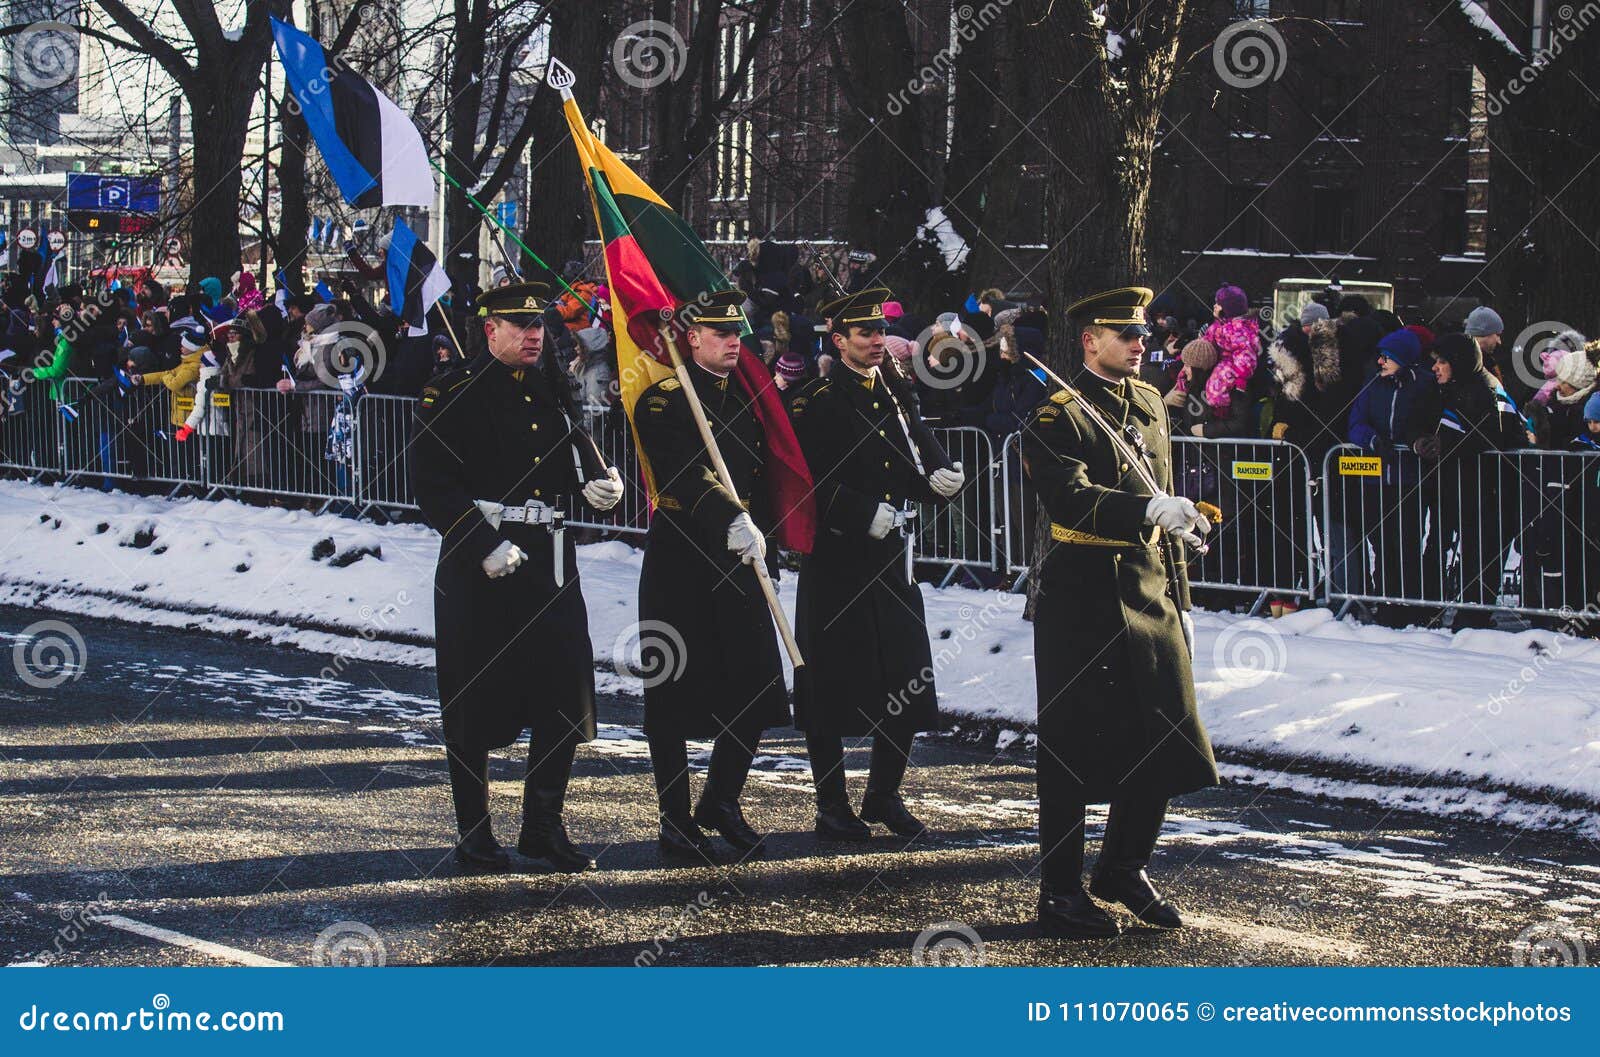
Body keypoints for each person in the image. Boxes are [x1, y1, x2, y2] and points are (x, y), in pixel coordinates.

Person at [1021, 286, 1218, 939]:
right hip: (1083, 596)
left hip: (1149, 588)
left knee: (1163, 733)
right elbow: (1071, 500)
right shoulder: (1057, 414)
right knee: (1074, 748)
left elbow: (1159, 501)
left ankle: (1123, 867)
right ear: (1089, 341)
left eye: (1141, 332)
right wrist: (1144, 512)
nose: (1140, 343)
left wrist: (1180, 593)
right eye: (1124, 333)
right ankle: (1059, 892)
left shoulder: (1150, 401)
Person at [408, 281, 625, 872]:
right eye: (520, 327)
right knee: (474, 694)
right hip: (479, 562)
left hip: (548, 560)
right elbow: (432, 487)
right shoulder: (449, 392)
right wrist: (480, 542)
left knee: (562, 689)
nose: (534, 337)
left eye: (539, 328)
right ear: (490, 330)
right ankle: (475, 832)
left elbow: (569, 454)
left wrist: (594, 483)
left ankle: (543, 827)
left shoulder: (552, 389)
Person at [790, 288, 963, 841]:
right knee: (829, 683)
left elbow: (913, 452)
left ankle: (884, 793)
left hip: (891, 561)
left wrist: (938, 482)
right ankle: (831, 802)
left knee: (906, 676)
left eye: (877, 332)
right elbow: (805, 484)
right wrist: (861, 513)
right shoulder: (813, 400)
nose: (873, 342)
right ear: (838, 340)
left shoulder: (893, 390)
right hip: (839, 558)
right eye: (862, 334)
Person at [632, 289, 794, 861]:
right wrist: (729, 517)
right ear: (691, 337)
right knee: (672, 688)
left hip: (741, 555)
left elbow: (758, 472)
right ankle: (675, 817)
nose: (733, 343)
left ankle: (721, 799)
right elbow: (682, 471)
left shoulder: (747, 398)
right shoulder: (663, 399)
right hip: (682, 554)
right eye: (720, 334)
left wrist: (768, 536)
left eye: (738, 334)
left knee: (755, 684)